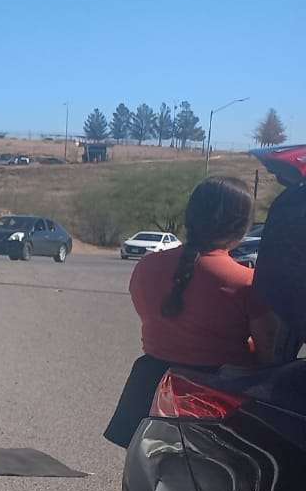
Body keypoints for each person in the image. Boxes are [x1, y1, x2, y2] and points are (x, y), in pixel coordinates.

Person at [103, 176, 273, 447]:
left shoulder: (147, 266)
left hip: (152, 386)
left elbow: (148, 315)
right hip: (222, 396)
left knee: (147, 477)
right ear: (241, 226)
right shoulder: (246, 282)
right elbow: (269, 351)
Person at [251, 144, 306, 361]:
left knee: (277, 368)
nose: (276, 177)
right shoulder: (292, 200)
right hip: (285, 300)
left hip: (282, 300)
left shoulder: (289, 200)